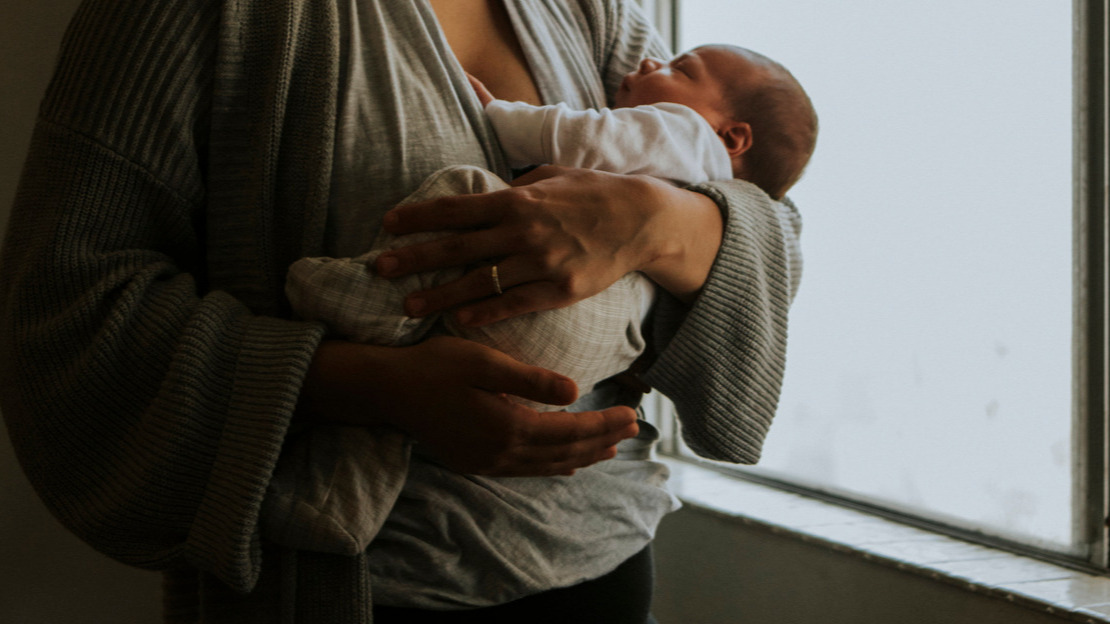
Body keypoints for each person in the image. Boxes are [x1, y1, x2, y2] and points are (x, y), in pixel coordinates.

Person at [0, 1, 803, 623]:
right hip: (355, 592)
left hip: (608, 565)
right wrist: (372, 386)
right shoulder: (197, 15)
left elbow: (760, 201)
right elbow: (64, 310)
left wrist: (658, 223)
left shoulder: (585, 10)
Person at [285, 44, 815, 411]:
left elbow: (585, 139)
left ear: (734, 138)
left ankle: (373, 305)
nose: (650, 58)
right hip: (583, 367)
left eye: (681, 67)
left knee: (468, 192)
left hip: (550, 315)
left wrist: (495, 113)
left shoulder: (685, 133)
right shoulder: (710, 172)